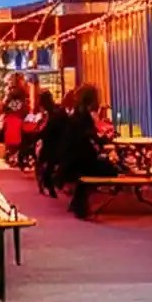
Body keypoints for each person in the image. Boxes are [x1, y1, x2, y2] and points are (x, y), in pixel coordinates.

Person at [62, 84, 119, 218]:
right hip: (80, 163)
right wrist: (105, 141)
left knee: (99, 167)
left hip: (73, 161)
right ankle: (80, 205)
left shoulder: (76, 116)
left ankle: (78, 203)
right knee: (112, 170)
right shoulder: (84, 118)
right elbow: (90, 138)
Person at [34, 90, 66, 198]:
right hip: (59, 142)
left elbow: (47, 130)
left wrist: (37, 135)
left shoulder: (53, 113)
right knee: (47, 161)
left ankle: (49, 183)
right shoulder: (57, 110)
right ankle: (49, 183)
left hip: (53, 144)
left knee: (44, 160)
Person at [1, 74, 30, 164]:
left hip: (14, 116)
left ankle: (12, 154)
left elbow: (7, 106)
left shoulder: (15, 92)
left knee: (13, 138)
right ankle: (13, 154)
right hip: (17, 116)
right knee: (16, 138)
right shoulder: (19, 92)